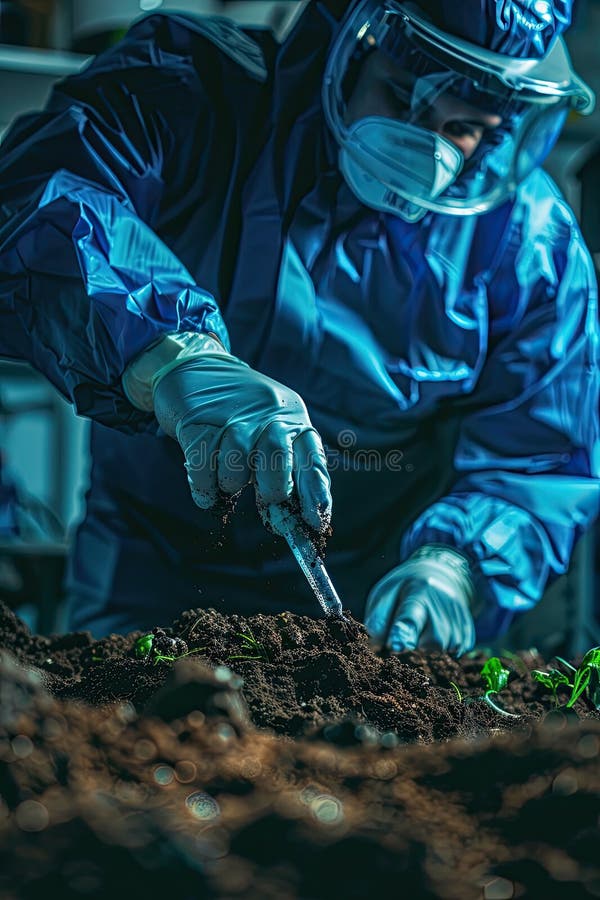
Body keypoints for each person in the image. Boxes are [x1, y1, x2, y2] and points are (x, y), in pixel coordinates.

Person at [0, 0, 598, 653]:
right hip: (151, 566)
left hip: (364, 602)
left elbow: (538, 460)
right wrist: (170, 352)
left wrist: (456, 565)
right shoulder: (191, 91)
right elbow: (45, 197)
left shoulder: (528, 249)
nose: (419, 145)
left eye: (462, 128)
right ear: (351, 44)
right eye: (400, 95)